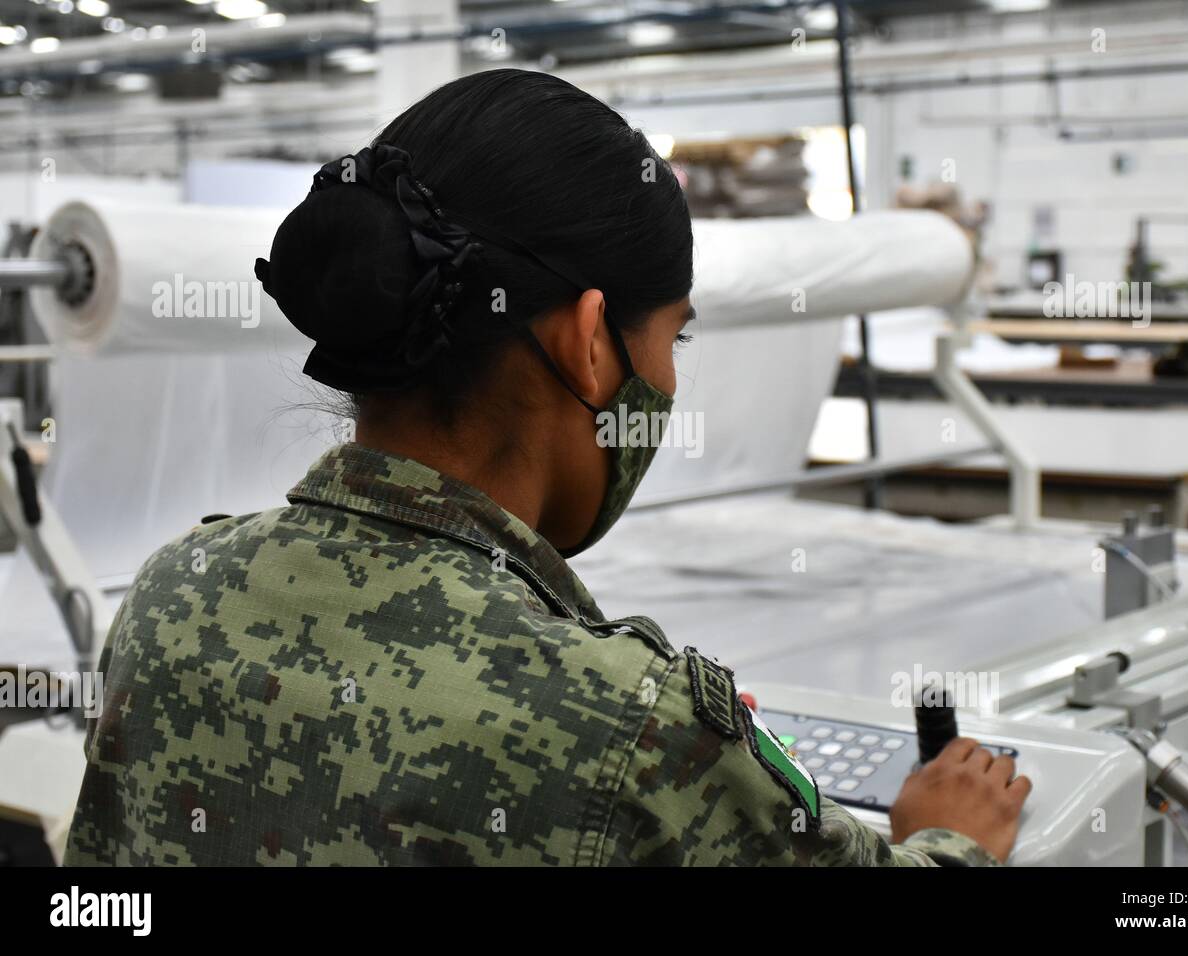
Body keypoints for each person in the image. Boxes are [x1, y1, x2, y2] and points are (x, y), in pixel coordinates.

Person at [65, 69, 1029, 866]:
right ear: (588, 342)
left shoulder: (169, 597)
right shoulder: (632, 728)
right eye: (671, 341)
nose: (666, 381)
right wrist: (950, 834)